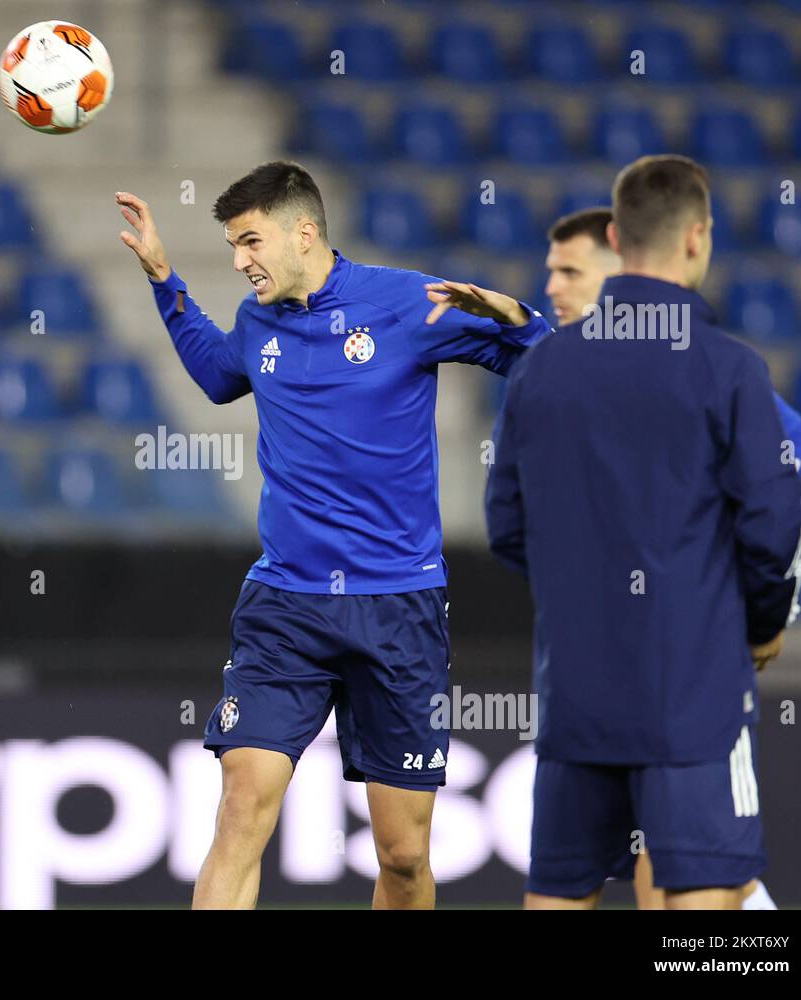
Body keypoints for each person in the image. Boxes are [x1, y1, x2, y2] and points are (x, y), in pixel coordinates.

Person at [117, 160, 552, 909]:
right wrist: (165, 280)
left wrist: (518, 318)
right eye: (231, 246)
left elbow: (545, 367)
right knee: (241, 810)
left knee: (404, 855)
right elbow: (221, 375)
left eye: (250, 241)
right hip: (285, 603)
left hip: (399, 606)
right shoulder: (259, 320)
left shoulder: (407, 302)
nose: (239, 261)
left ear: (305, 233)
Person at [487, 155, 801, 910]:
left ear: (613, 235)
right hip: (693, 698)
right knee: (704, 905)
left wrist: (585, 591)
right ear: (697, 238)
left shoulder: (542, 371)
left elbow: (506, 526)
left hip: (575, 699)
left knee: (559, 895)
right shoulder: (730, 370)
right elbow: (771, 525)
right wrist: (758, 625)